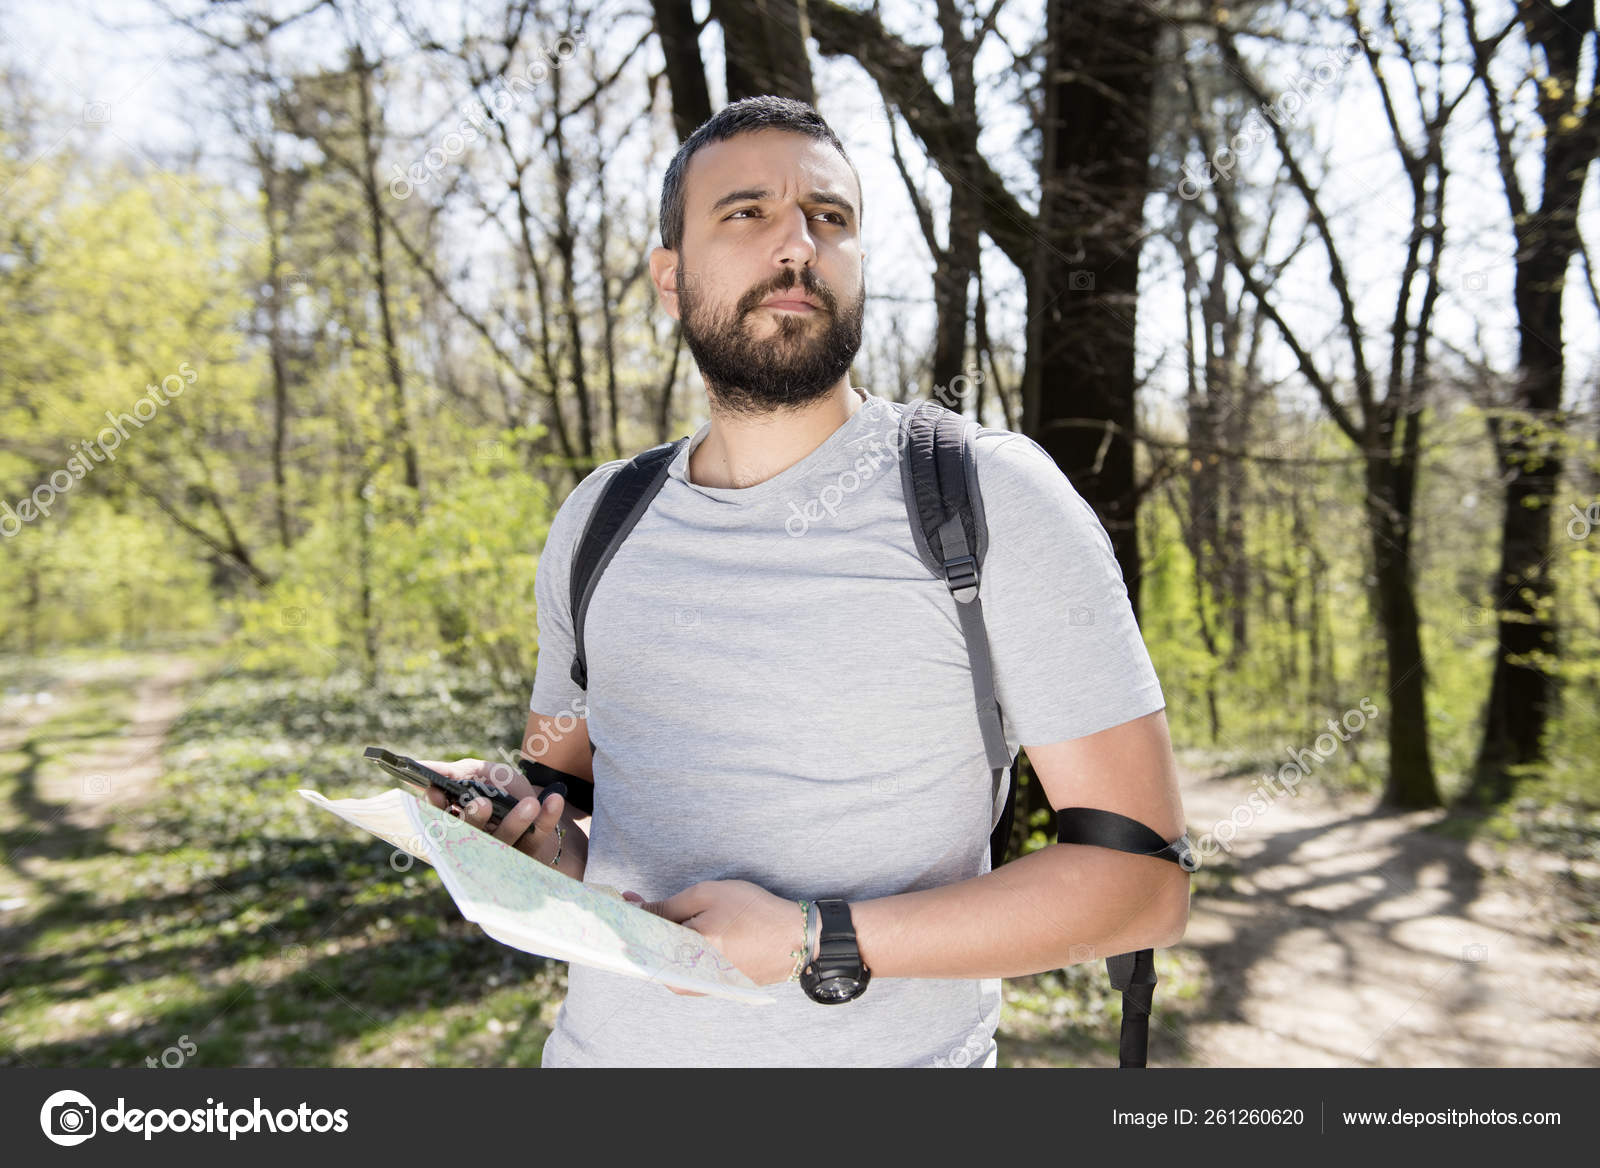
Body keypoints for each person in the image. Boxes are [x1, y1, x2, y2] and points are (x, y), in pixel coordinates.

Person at [422, 95, 1188, 1068]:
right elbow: (566, 805)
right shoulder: (599, 521)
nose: (797, 244)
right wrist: (519, 829)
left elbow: (1142, 885)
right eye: (746, 212)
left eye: (829, 217)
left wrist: (816, 939)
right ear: (670, 278)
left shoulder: (992, 499)